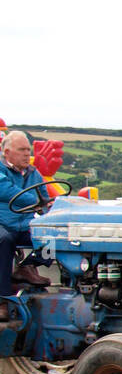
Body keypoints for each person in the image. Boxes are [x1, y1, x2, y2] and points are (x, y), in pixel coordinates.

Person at [0, 131, 52, 321]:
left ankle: (27, 266)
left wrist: (52, 214)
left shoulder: (33, 172)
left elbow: (45, 199)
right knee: (3, 240)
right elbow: (8, 193)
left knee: (53, 238)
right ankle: (3, 301)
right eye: (21, 150)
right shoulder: (0, 170)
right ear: (7, 152)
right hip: (3, 223)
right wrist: (39, 202)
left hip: (24, 226)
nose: (26, 154)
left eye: (28, 150)